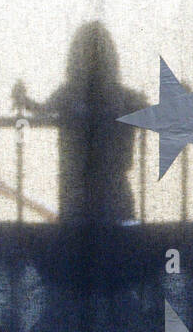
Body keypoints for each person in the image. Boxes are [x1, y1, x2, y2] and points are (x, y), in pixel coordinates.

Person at [11, 22, 144, 225]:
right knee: (119, 247)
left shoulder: (68, 94)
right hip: (111, 190)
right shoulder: (123, 97)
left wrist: (24, 101)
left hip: (78, 192)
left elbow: (42, 112)